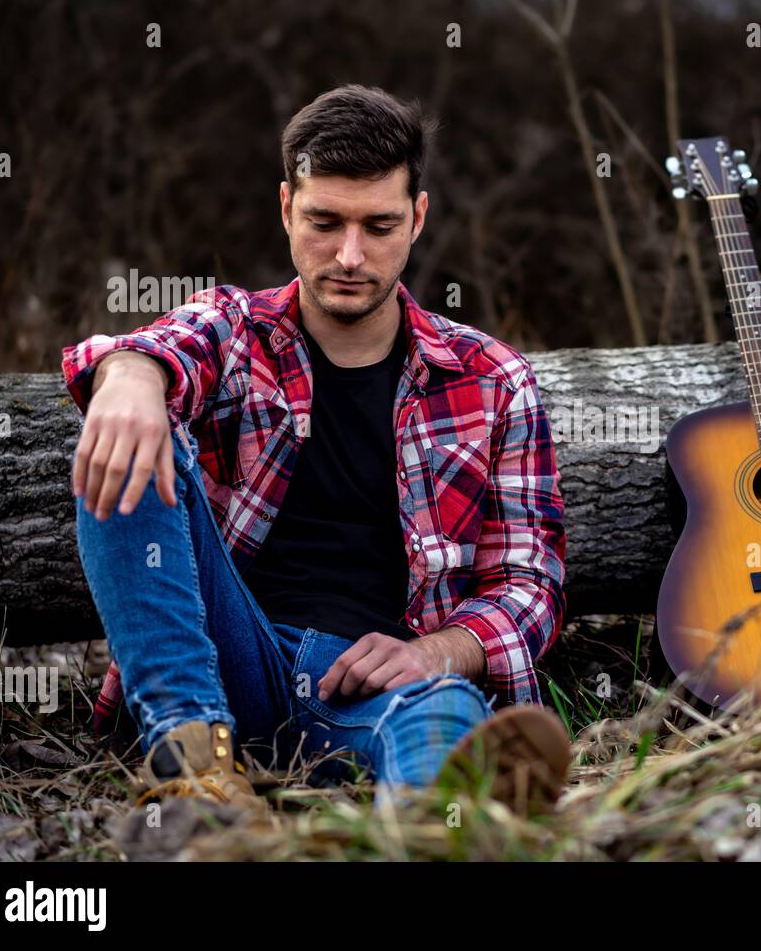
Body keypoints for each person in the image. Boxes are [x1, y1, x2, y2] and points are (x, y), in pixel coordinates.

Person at [61, 84, 572, 819]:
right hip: (233, 661)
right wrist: (131, 373)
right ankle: (195, 775)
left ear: (418, 218)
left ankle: (446, 821)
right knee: (133, 429)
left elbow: (532, 583)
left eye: (380, 225)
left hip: (384, 682)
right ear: (284, 209)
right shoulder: (238, 329)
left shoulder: (493, 380)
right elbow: (164, 344)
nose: (350, 255)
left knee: (441, 715)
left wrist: (438, 651)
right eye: (324, 222)